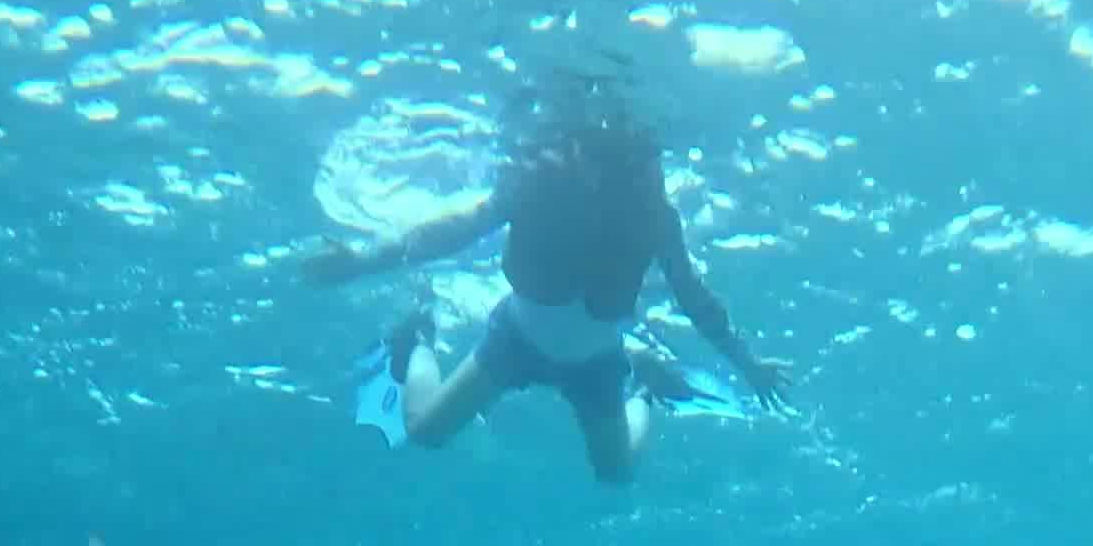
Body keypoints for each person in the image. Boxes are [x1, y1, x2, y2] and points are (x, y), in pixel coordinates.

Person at [309, 106, 789, 485]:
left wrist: (749, 366)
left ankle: (645, 389)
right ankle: (419, 336)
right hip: (515, 339)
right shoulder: (537, 183)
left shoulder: (653, 215)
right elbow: (454, 232)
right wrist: (361, 261)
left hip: (595, 362)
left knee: (616, 472)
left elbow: (695, 298)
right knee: (425, 432)